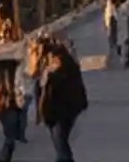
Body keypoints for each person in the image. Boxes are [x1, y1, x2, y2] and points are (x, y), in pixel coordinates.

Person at [29, 34, 87, 162]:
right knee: (61, 145)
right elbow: (33, 73)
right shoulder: (50, 63)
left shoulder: (59, 62)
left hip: (60, 110)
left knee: (61, 147)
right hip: (58, 110)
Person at [0, 0, 28, 160]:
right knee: (7, 103)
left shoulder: (3, 26)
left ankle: (9, 140)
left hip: (5, 66)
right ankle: (13, 132)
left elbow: (19, 43)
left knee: (7, 100)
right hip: (5, 66)